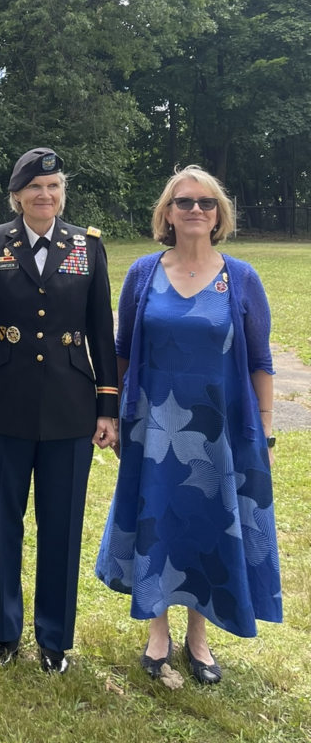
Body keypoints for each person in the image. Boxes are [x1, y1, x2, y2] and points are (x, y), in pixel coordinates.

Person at [95, 166, 281, 684]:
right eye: (184, 202)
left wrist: (264, 430)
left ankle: (199, 636)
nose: (196, 209)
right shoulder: (143, 274)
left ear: (219, 214)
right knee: (158, 520)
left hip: (220, 432)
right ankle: (158, 631)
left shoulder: (241, 278)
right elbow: (121, 353)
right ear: (167, 214)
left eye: (206, 203)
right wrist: (113, 413)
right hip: (153, 430)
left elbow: (260, 362)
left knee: (208, 521)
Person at [0, 147, 118, 674]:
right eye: (34, 188)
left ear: (61, 194)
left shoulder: (87, 247)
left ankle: (54, 638)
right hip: (3, 404)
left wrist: (107, 407)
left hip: (70, 407)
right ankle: (4, 632)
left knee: (62, 525)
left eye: (53, 188)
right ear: (17, 195)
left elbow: (102, 332)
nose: (45, 196)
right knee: (3, 523)